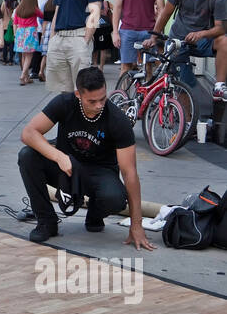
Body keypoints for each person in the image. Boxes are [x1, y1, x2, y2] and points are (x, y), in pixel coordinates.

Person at [18, 65, 154, 249]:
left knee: (115, 198)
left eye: (102, 99)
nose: (99, 106)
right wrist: (58, 156)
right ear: (78, 95)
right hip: (67, 166)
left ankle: (95, 214)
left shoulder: (117, 120)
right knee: (27, 156)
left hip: (99, 172)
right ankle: (46, 221)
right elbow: (28, 133)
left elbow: (130, 174)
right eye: (92, 101)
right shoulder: (64, 103)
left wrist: (136, 225)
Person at [145, 0, 227, 99]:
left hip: (200, 40)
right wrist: (154, 37)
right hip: (178, 41)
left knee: (224, 41)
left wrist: (201, 34)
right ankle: (187, 119)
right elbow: (165, 14)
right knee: (184, 84)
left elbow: (221, 28)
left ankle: (219, 86)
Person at [44, 0, 103, 93]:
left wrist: (85, 40)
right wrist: (52, 39)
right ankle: (67, 116)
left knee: (82, 87)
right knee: (62, 89)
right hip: (59, 39)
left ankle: (82, 116)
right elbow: (57, 10)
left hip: (79, 36)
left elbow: (95, 10)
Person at [13, 0, 42, 84]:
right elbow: (42, 16)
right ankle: (23, 75)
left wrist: (15, 34)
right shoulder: (34, 9)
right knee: (29, 55)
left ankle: (26, 77)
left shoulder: (18, 9)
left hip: (20, 32)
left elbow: (15, 23)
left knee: (24, 55)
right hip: (31, 32)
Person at [30, 0, 47, 80]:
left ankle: (35, 71)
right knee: (41, 51)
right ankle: (40, 69)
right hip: (43, 26)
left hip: (37, 26)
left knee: (36, 50)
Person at [0, 0, 18, 65]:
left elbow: (1, 13)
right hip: (12, 25)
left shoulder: (4, 3)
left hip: (4, 26)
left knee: (4, 44)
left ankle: (4, 60)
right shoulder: (15, 4)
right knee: (11, 44)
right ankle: (11, 60)